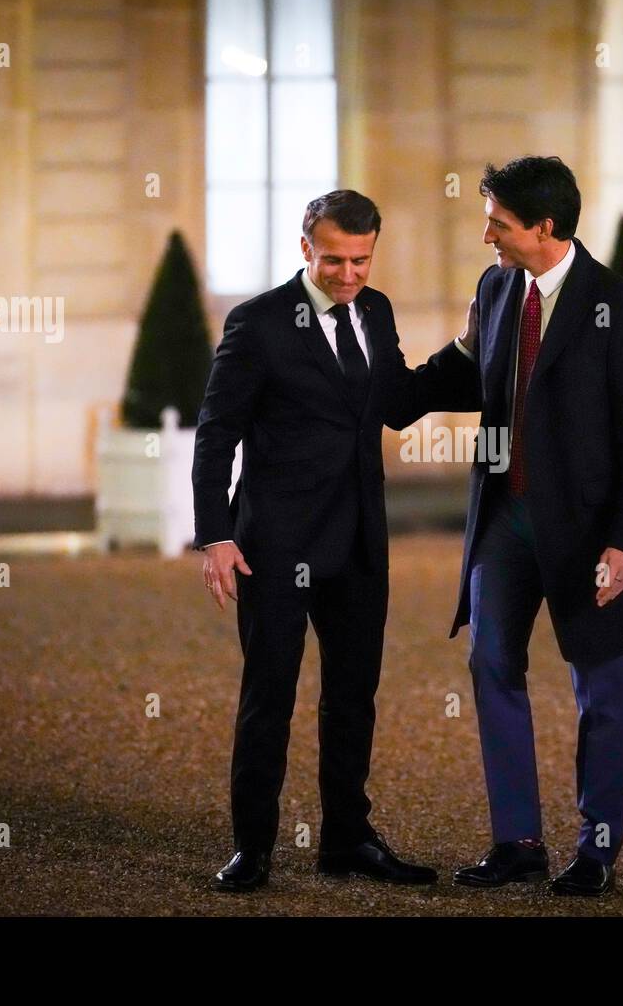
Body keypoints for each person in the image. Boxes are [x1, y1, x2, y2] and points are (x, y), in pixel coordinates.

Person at [192, 190, 470, 892]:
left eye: (362, 260)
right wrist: (215, 535)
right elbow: (216, 432)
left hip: (358, 543)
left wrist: (469, 351)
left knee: (353, 697)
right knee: (269, 697)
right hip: (275, 543)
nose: (349, 274)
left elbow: (398, 403)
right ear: (305, 248)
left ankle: (346, 837)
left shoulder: (374, 311)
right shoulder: (256, 324)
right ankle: (252, 846)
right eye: (335, 259)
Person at [424, 156, 623, 895]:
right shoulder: (496, 288)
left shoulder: (616, 306)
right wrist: (374, 390)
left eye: (497, 221)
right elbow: (473, 378)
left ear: (544, 227)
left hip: (590, 533)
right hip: (504, 517)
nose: (486, 233)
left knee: (599, 689)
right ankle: (518, 840)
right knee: (491, 662)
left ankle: (596, 850)